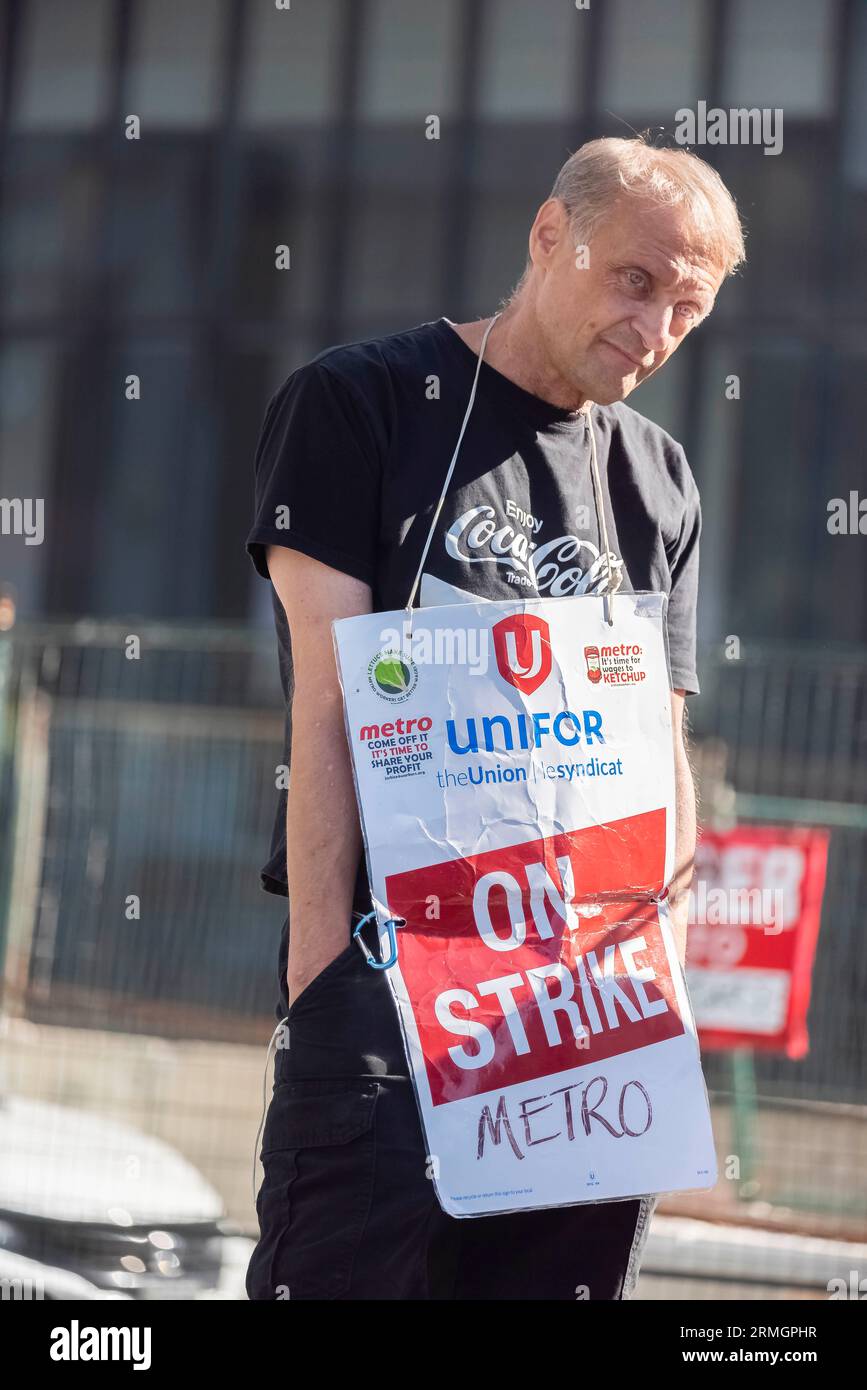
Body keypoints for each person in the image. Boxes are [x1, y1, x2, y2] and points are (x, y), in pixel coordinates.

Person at [245, 134, 745, 1301]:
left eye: (689, 306)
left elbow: (660, 752)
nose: (656, 326)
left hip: (589, 1009)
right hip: (391, 982)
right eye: (635, 279)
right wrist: (323, 978)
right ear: (547, 236)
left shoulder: (660, 476)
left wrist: (658, 994)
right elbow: (324, 705)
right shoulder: (358, 401)